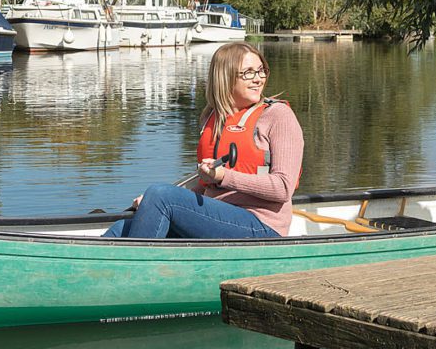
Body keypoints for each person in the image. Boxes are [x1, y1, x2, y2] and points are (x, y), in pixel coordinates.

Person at [104, 42, 301, 239]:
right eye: (249, 72)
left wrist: (224, 176)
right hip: (216, 218)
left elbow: (283, 188)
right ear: (226, 77)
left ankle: (139, 266)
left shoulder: (278, 116)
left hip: (261, 225)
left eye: (261, 70)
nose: (259, 79)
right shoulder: (211, 118)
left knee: (160, 194)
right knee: (121, 228)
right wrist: (150, 204)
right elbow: (206, 185)